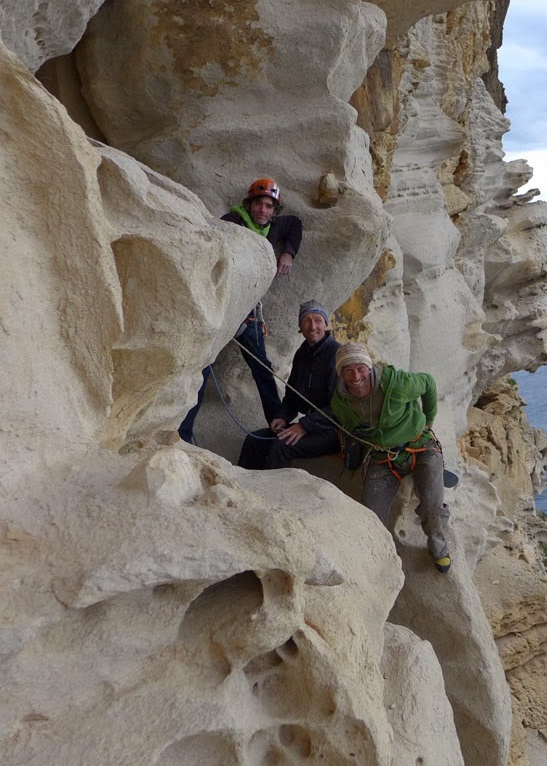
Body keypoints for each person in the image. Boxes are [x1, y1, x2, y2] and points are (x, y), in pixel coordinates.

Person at [178, 177, 303, 444]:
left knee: (262, 368)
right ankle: (184, 433)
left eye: (269, 206)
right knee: (204, 368)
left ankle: (277, 423)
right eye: (259, 204)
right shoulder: (232, 223)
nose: (263, 210)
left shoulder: (275, 227)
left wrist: (288, 253)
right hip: (226, 309)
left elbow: (295, 224)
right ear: (249, 204)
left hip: (248, 313)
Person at [330, 342, 452, 574]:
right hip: (383, 456)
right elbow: (351, 427)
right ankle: (378, 558)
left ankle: (438, 547)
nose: (356, 376)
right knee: (370, 513)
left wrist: (429, 419)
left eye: (360, 368)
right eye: (348, 370)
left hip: (420, 446)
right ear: (340, 373)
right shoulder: (341, 402)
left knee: (432, 506)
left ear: (369, 367)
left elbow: (428, 383)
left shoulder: (395, 383)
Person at [239, 300, 341, 470]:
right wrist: (283, 417)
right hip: (312, 426)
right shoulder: (302, 354)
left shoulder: (336, 355)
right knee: (255, 440)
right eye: (306, 320)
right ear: (300, 325)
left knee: (282, 445)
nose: (312, 326)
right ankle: (241, 490)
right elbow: (293, 396)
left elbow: (338, 408)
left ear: (325, 324)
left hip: (332, 431)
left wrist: (304, 426)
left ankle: (272, 494)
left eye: (317, 320)